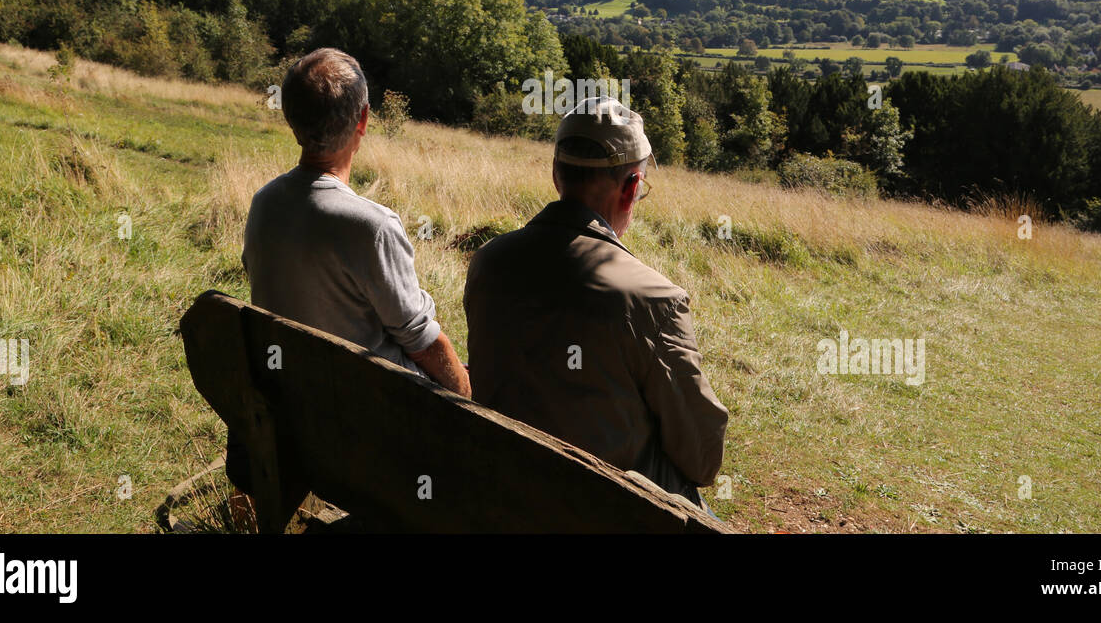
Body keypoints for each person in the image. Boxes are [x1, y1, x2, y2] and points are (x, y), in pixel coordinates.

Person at [230, 48, 470, 502]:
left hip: (288, 404)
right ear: (362, 121)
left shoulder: (265, 203)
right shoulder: (371, 226)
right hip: (367, 425)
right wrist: (467, 400)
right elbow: (423, 342)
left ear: (290, 118)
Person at [463, 96, 728, 507]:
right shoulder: (653, 299)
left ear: (556, 175)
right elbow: (702, 459)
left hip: (502, 495)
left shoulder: (488, 262)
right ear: (632, 188)